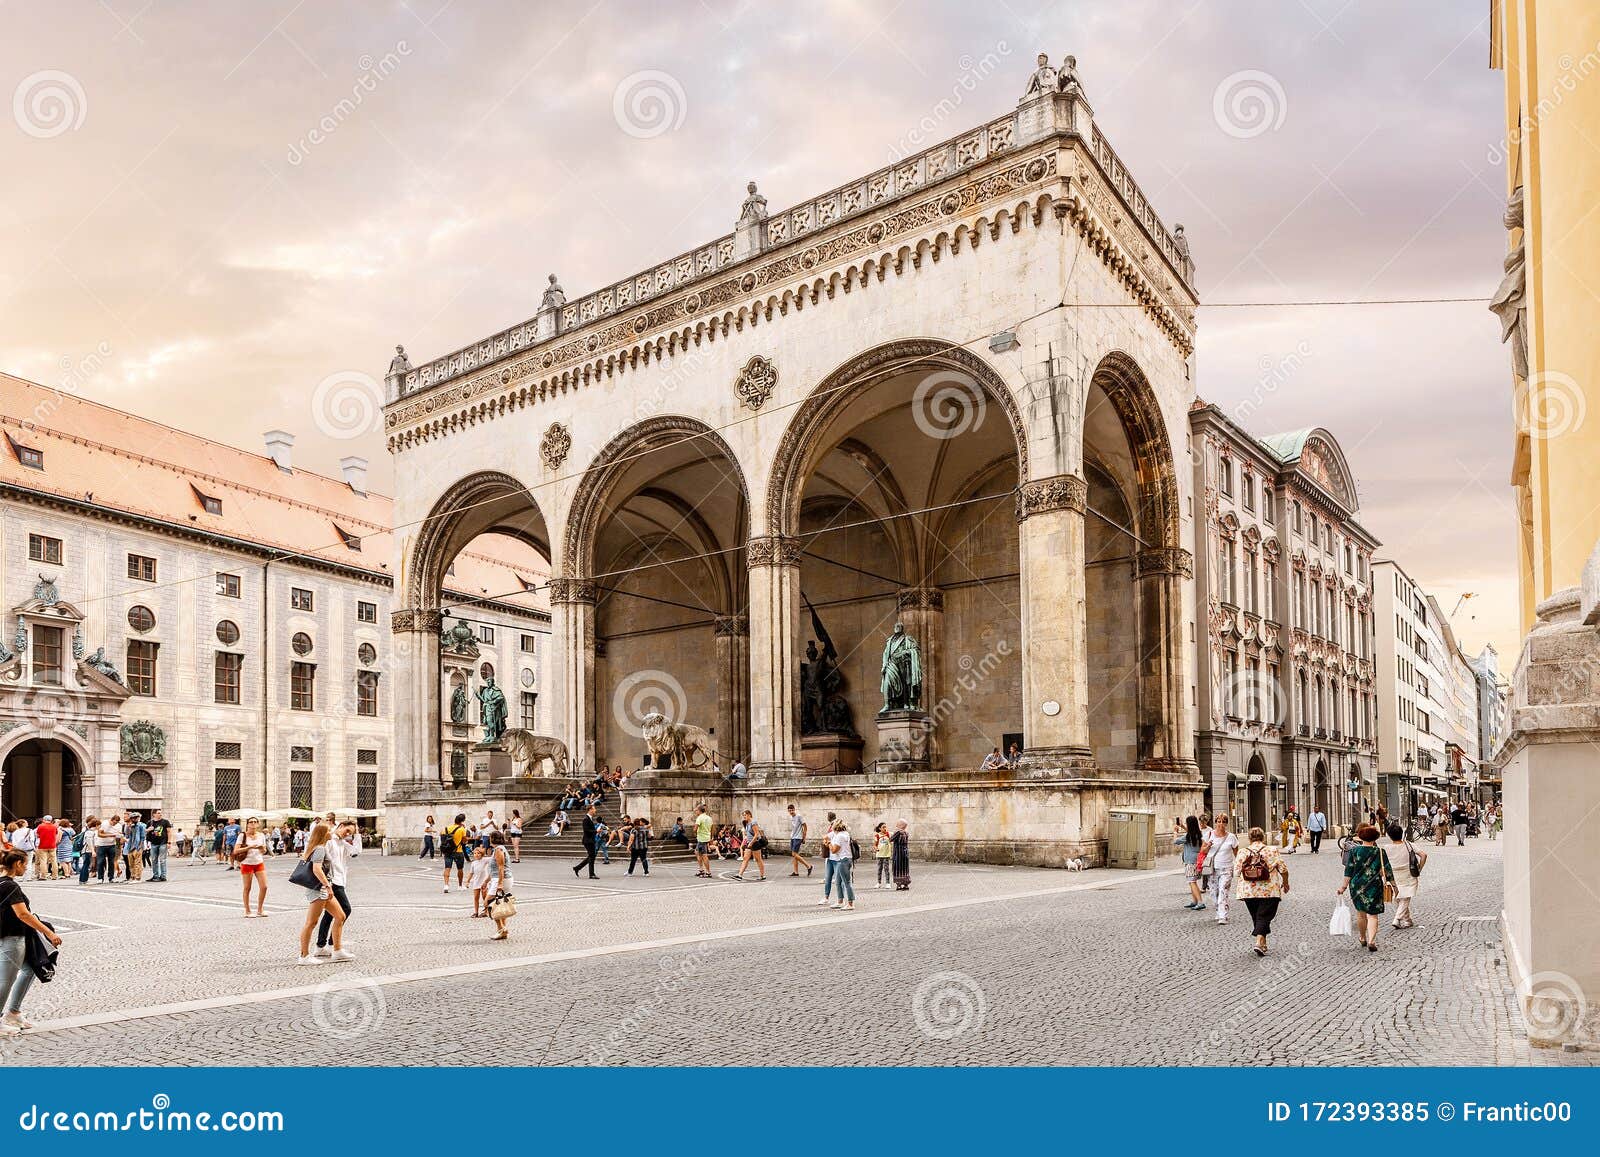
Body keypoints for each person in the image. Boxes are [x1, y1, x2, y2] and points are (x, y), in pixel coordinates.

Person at [0, 849, 61, 1034]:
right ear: (17, 863)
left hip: (16, 936)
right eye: (25, 864)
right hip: (12, 938)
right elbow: (23, 914)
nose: (26, 868)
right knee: (5, 981)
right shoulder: (10, 886)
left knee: (30, 969)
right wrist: (49, 933)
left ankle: (14, 1012)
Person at [1337, 823, 1396, 953]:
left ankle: (1362, 937)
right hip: (1374, 886)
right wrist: (1394, 886)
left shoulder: (1354, 851)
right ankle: (1372, 941)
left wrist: (1343, 887)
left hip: (1356, 886)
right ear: (1375, 838)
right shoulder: (1380, 852)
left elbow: (1348, 871)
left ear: (1361, 837)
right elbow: (1388, 870)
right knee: (1373, 916)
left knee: (1361, 914)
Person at [1234, 826, 1290, 956]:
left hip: (1248, 891)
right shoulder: (1272, 850)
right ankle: (1259, 941)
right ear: (1263, 837)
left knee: (1258, 917)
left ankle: (1263, 943)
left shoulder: (1242, 852)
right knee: (1264, 916)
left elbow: (1237, 872)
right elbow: (1283, 869)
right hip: (1269, 890)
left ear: (1249, 838)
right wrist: (1285, 883)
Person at [296, 824, 346, 965]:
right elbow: (317, 869)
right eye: (329, 830)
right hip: (320, 889)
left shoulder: (319, 848)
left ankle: (337, 950)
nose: (331, 832)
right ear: (323, 834)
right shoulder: (320, 849)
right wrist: (327, 885)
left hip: (322, 889)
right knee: (311, 922)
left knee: (340, 916)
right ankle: (304, 956)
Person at [313, 821, 359, 960]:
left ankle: (320, 946)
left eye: (350, 833)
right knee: (346, 909)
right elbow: (322, 862)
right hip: (333, 881)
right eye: (347, 831)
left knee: (329, 914)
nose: (347, 834)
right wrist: (327, 883)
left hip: (340, 880)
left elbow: (356, 851)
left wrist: (357, 835)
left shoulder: (342, 843)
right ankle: (334, 945)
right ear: (340, 826)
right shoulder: (329, 840)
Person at [1385, 822, 1426, 929]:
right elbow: (1423, 855)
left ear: (1389, 836)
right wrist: (1419, 869)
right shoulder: (1409, 845)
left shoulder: (1386, 848)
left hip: (1393, 875)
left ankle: (1407, 920)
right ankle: (1397, 918)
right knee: (1405, 897)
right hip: (1408, 874)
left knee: (1399, 898)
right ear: (1401, 833)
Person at [1204, 814, 1239, 925]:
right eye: (1218, 821)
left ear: (1226, 824)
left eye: (1223, 822)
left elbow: (1236, 853)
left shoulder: (1231, 837)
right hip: (1212, 869)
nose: (1221, 824)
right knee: (1214, 893)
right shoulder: (1209, 834)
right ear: (1215, 822)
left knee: (1223, 891)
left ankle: (1223, 915)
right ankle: (1219, 911)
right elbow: (1203, 851)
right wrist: (1208, 845)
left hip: (1227, 868)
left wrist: (1239, 866)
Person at [234, 816, 269, 917]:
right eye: (251, 822)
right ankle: (247, 911)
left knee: (264, 886)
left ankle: (260, 909)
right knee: (247, 888)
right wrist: (249, 847)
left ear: (258, 824)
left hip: (258, 862)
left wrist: (262, 848)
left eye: (255, 822)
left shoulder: (261, 835)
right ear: (247, 824)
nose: (253, 823)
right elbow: (236, 851)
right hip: (247, 863)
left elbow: (264, 851)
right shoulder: (242, 835)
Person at [486, 830, 514, 940]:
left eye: (490, 837)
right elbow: (494, 868)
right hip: (498, 879)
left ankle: (501, 929)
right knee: (499, 905)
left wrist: (500, 883)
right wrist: (486, 881)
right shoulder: (498, 849)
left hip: (501, 879)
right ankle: (503, 930)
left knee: (489, 903)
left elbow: (501, 867)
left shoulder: (498, 849)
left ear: (493, 838)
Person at [1178, 815, 1207, 910]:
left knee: (1192, 881)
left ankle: (1200, 902)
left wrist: (1175, 832)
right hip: (1198, 861)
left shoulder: (1188, 836)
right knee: (1192, 880)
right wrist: (1182, 826)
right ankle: (1194, 901)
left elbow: (1176, 841)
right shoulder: (1199, 834)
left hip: (1190, 861)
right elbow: (1190, 834)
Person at [827, 820, 856, 911]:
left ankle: (850, 903)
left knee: (846, 882)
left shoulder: (839, 836)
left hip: (843, 860)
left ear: (836, 828)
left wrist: (829, 844)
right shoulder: (846, 834)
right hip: (846, 859)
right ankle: (840, 901)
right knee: (838, 882)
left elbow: (834, 850)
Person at [736, 811, 767, 881]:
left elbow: (756, 834)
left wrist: (751, 843)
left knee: (758, 859)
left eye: (745, 815)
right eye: (743, 815)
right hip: (749, 843)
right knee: (745, 858)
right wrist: (747, 841)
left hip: (755, 843)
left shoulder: (753, 823)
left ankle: (762, 875)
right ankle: (739, 875)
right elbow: (748, 834)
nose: (744, 817)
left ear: (749, 815)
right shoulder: (747, 823)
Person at [441, 813, 468, 893]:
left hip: (448, 851)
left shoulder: (446, 828)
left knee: (447, 868)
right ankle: (460, 886)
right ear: (462, 821)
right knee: (460, 869)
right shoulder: (462, 829)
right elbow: (464, 841)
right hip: (458, 851)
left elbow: (442, 837)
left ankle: (446, 885)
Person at [573, 805, 601, 879]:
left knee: (591, 856)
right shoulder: (586, 819)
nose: (595, 810)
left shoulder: (590, 818)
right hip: (588, 841)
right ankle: (591, 874)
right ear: (590, 810)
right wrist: (596, 831)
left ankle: (577, 868)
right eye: (594, 809)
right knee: (592, 856)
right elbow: (586, 830)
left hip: (590, 840)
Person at [785, 804, 813, 877]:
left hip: (798, 837)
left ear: (794, 809)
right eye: (789, 810)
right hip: (793, 837)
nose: (791, 811)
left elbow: (805, 826)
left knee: (794, 854)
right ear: (788, 811)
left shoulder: (799, 816)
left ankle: (808, 866)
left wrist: (804, 837)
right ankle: (796, 872)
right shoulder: (791, 817)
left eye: (792, 810)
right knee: (794, 855)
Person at [144, 809, 171, 882]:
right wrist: (149, 829)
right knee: (154, 860)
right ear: (154, 814)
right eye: (158, 813)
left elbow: (169, 832)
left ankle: (163, 876)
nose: (160, 814)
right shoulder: (150, 822)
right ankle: (155, 876)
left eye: (160, 813)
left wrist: (169, 842)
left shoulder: (165, 822)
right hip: (153, 843)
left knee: (162, 860)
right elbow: (145, 832)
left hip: (163, 843)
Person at [94, 814, 121, 883]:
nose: (114, 824)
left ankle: (111, 877)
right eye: (114, 822)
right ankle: (100, 878)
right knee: (100, 862)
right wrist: (111, 835)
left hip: (112, 845)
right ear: (111, 820)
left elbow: (119, 835)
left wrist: (119, 837)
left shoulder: (118, 826)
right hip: (101, 845)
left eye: (116, 823)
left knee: (111, 862)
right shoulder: (104, 824)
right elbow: (99, 834)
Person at [468, 846, 493, 917]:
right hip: (476, 882)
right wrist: (467, 881)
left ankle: (486, 911)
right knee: (476, 898)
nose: (476, 854)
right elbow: (471, 873)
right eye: (475, 853)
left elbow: (493, 858)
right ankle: (476, 912)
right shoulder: (473, 863)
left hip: (484, 882)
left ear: (481, 854)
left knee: (485, 897)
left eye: (478, 853)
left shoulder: (484, 860)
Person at [692, 804, 714, 879]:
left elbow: (695, 829)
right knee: (697, 852)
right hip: (706, 837)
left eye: (696, 810)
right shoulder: (709, 818)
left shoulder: (699, 818)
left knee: (704, 855)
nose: (696, 812)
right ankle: (701, 869)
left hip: (701, 838)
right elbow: (712, 829)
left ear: (699, 811)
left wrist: (695, 833)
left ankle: (708, 872)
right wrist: (711, 838)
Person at [890, 821, 911, 890]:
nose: (896, 825)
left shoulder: (898, 832)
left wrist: (892, 834)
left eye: (897, 824)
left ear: (900, 825)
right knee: (905, 869)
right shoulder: (906, 833)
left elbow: (891, 839)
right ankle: (906, 885)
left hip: (898, 853)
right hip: (905, 853)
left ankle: (899, 885)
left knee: (897, 868)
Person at [872, 822, 893, 889]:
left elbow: (893, 839)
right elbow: (875, 845)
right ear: (880, 828)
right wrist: (876, 848)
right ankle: (879, 883)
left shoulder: (889, 834)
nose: (885, 828)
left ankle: (888, 883)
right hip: (879, 855)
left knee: (886, 869)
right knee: (879, 869)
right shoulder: (877, 836)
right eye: (883, 827)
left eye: (885, 827)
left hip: (886, 855)